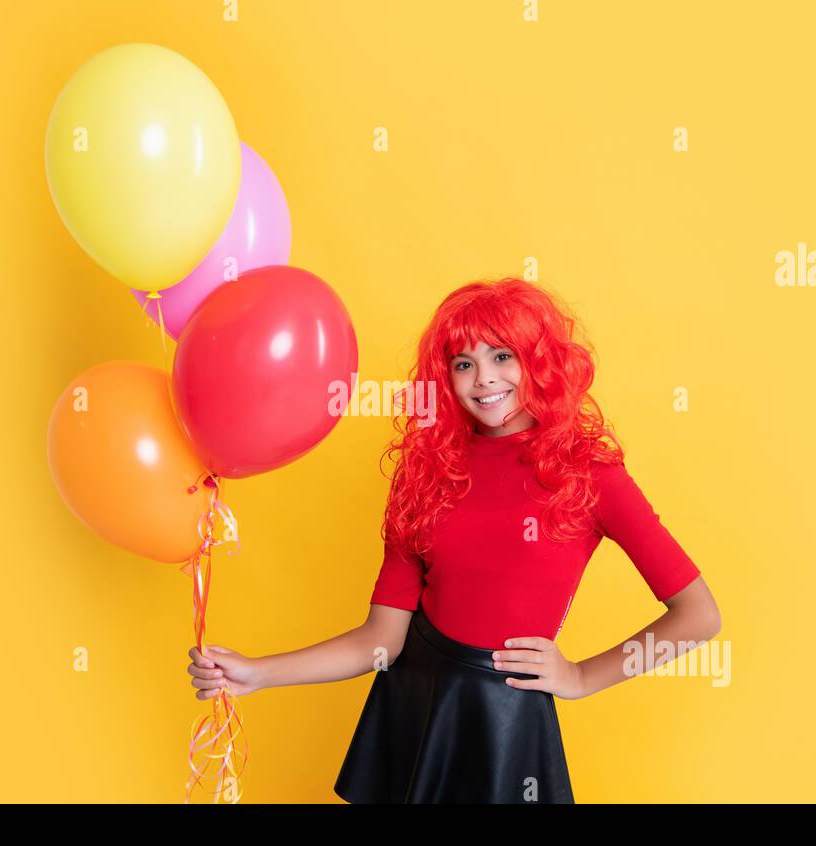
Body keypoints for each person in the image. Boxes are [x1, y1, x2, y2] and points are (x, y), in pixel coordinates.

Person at [186, 277, 721, 803]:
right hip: (414, 706)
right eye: (464, 364)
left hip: (502, 722)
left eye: (501, 356)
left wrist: (582, 677)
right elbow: (380, 641)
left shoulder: (591, 476)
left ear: (539, 361)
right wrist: (257, 673)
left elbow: (698, 616)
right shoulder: (426, 473)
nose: (483, 379)